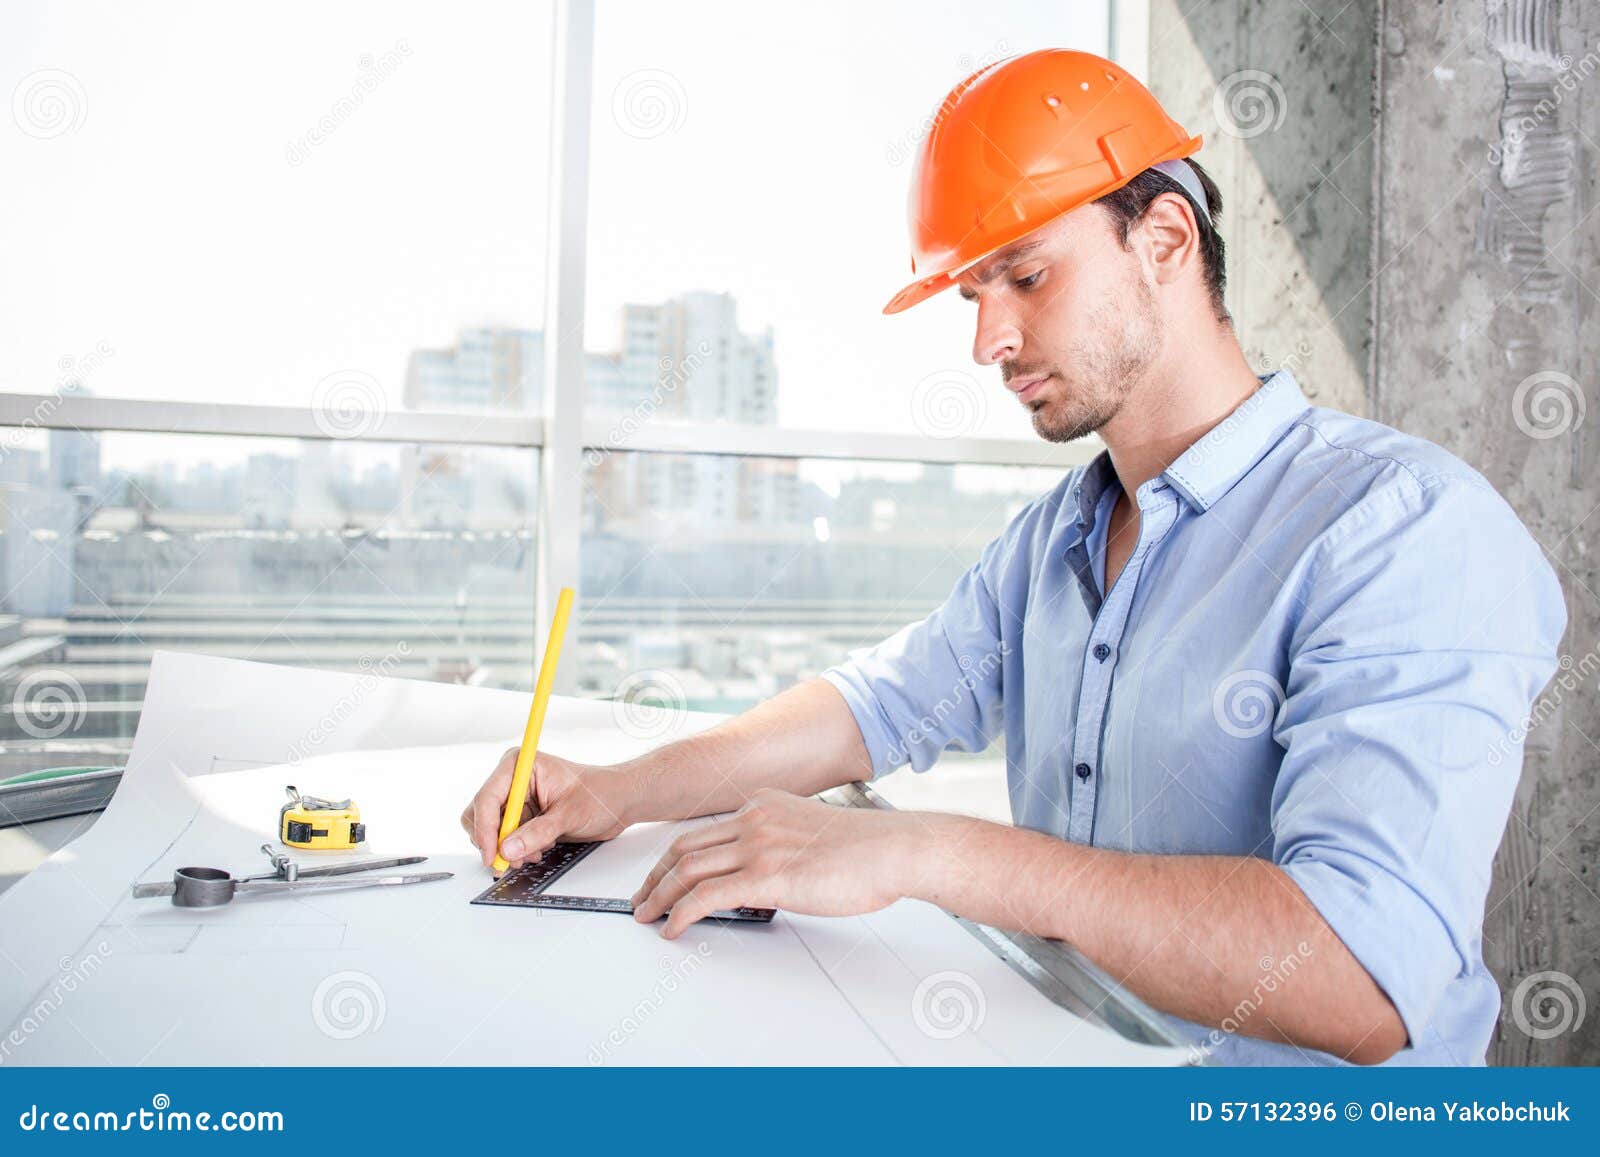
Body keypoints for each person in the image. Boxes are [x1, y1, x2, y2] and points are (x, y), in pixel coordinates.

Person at [463, 49, 1565, 1065]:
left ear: (1166, 240)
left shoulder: (1404, 529)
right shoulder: (1060, 535)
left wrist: (931, 855)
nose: (986, 340)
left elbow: (1368, 974)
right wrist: (614, 791)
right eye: (971, 294)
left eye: (1024, 277)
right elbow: (868, 708)